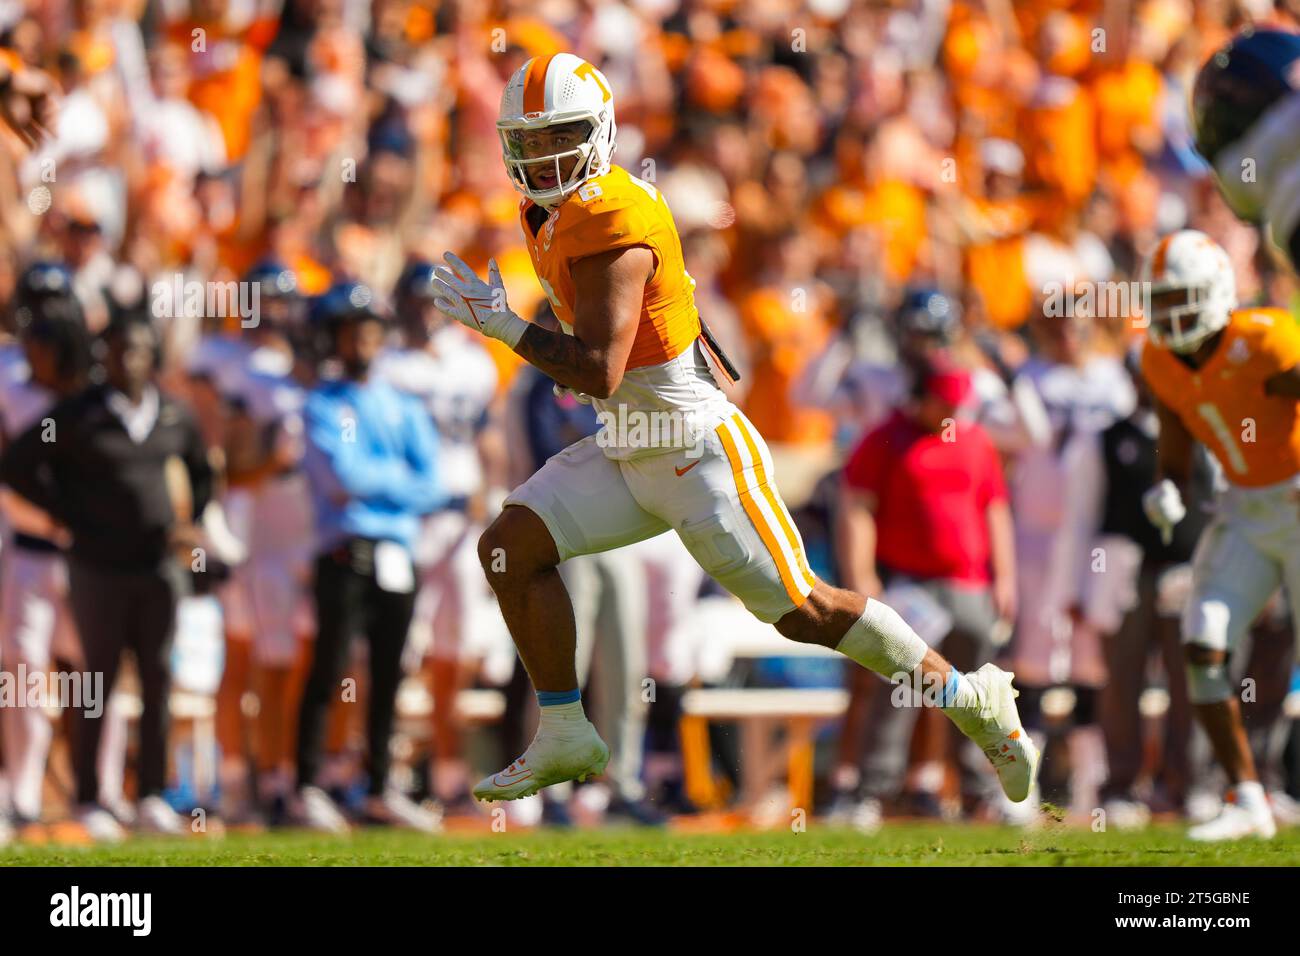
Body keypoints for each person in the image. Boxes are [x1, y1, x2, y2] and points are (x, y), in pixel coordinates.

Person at [431, 52, 1038, 805]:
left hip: (693, 452)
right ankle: (564, 728)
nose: (549, 158)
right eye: (532, 143)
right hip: (628, 449)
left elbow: (597, 369)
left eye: (563, 137)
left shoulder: (612, 217)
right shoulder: (549, 211)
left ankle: (971, 699)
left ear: (601, 132)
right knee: (507, 548)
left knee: (805, 610)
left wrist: (503, 327)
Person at [0, 308, 212, 840]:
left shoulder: (172, 414)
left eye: (138, 349)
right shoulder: (77, 413)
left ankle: (150, 796)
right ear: (103, 357)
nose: (128, 360)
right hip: (96, 567)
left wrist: (190, 522)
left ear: (152, 356)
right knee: (96, 678)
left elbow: (203, 470)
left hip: (158, 567)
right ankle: (89, 796)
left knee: (158, 677)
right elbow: (18, 465)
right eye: (118, 350)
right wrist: (64, 516)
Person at [1139, 228, 1300, 841]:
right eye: (1160, 300)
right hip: (1244, 509)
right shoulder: (1159, 359)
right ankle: (1246, 795)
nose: (1169, 314)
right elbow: (1175, 436)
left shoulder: (1264, 339)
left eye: (1180, 298)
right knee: (1202, 639)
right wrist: (1169, 484)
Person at [834, 355, 1017, 826]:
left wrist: (1006, 579)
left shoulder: (976, 442)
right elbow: (858, 507)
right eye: (944, 403)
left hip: (969, 584)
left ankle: (981, 791)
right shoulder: (886, 439)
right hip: (910, 584)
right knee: (900, 685)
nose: (952, 414)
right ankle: (872, 791)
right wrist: (863, 578)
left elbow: (994, 510)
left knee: (978, 691)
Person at [294, 285, 443, 833]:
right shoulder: (321, 404)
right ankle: (306, 785)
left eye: (370, 331)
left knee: (389, 672)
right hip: (344, 552)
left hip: (397, 553)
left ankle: (380, 786)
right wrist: (395, 484)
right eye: (352, 332)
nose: (362, 342)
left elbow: (436, 483)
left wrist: (377, 488)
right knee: (328, 670)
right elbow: (341, 481)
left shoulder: (401, 404)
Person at [374, 260, 502, 813]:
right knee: (387, 651)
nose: (427, 312)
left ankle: (448, 774)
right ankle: (375, 769)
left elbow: (487, 433)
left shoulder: (471, 363)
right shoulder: (386, 365)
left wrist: (494, 493)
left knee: (453, 651)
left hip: (459, 519)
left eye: (433, 301)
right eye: (418, 301)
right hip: (405, 519)